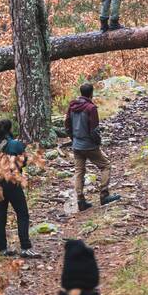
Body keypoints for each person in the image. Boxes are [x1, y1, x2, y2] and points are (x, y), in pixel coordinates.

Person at [0, 118, 41, 258]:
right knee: (22, 214)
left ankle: (2, 248)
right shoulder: (13, 144)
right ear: (9, 129)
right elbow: (23, 162)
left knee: (0, 215)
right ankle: (26, 247)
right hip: (12, 182)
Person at [65, 82, 121, 211]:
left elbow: (67, 125)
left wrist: (73, 139)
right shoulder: (91, 108)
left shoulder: (72, 106)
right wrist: (97, 142)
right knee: (105, 165)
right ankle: (104, 195)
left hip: (77, 145)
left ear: (81, 92)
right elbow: (94, 130)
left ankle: (80, 200)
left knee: (79, 171)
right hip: (89, 145)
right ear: (91, 93)